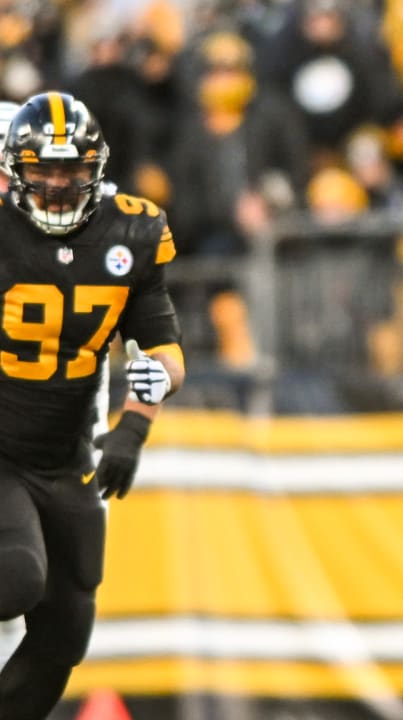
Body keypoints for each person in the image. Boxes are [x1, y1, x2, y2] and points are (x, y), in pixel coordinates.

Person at [0, 91, 185, 720]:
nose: (54, 185)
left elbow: (162, 353)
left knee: (63, 637)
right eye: (41, 170)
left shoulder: (130, 230)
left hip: (65, 453)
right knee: (16, 576)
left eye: (70, 170)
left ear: (95, 169)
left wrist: (133, 426)